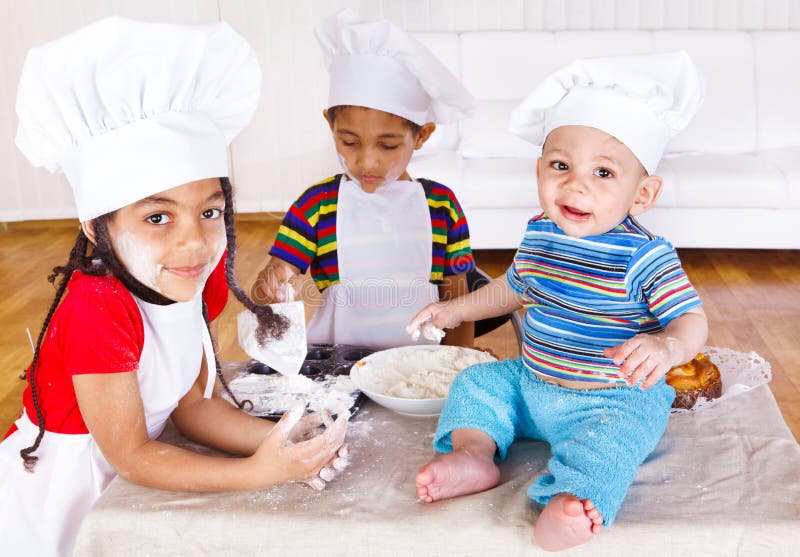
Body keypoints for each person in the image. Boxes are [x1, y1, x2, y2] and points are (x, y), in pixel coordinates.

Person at [0, 17, 348, 557]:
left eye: (209, 212)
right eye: (158, 218)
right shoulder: (97, 306)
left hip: (142, 468)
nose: (195, 242)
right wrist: (257, 473)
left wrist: (281, 438)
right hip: (67, 494)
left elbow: (191, 406)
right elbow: (131, 455)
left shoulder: (195, 283)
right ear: (95, 226)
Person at [409, 51, 709, 551]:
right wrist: (454, 310)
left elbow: (691, 318)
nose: (575, 184)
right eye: (561, 165)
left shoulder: (643, 256)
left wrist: (668, 347)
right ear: (539, 170)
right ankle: (474, 455)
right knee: (477, 383)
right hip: (532, 385)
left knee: (610, 446)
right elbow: (514, 288)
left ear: (642, 194)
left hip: (611, 397)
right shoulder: (541, 233)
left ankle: (573, 500)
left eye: (603, 173)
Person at [251, 9, 476, 349]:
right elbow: (273, 278)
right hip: (335, 364)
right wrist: (270, 286)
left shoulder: (441, 207)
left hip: (420, 365)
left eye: (388, 145)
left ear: (422, 135)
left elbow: (458, 300)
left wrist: (461, 363)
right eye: (349, 142)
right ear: (330, 125)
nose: (367, 161)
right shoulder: (317, 205)